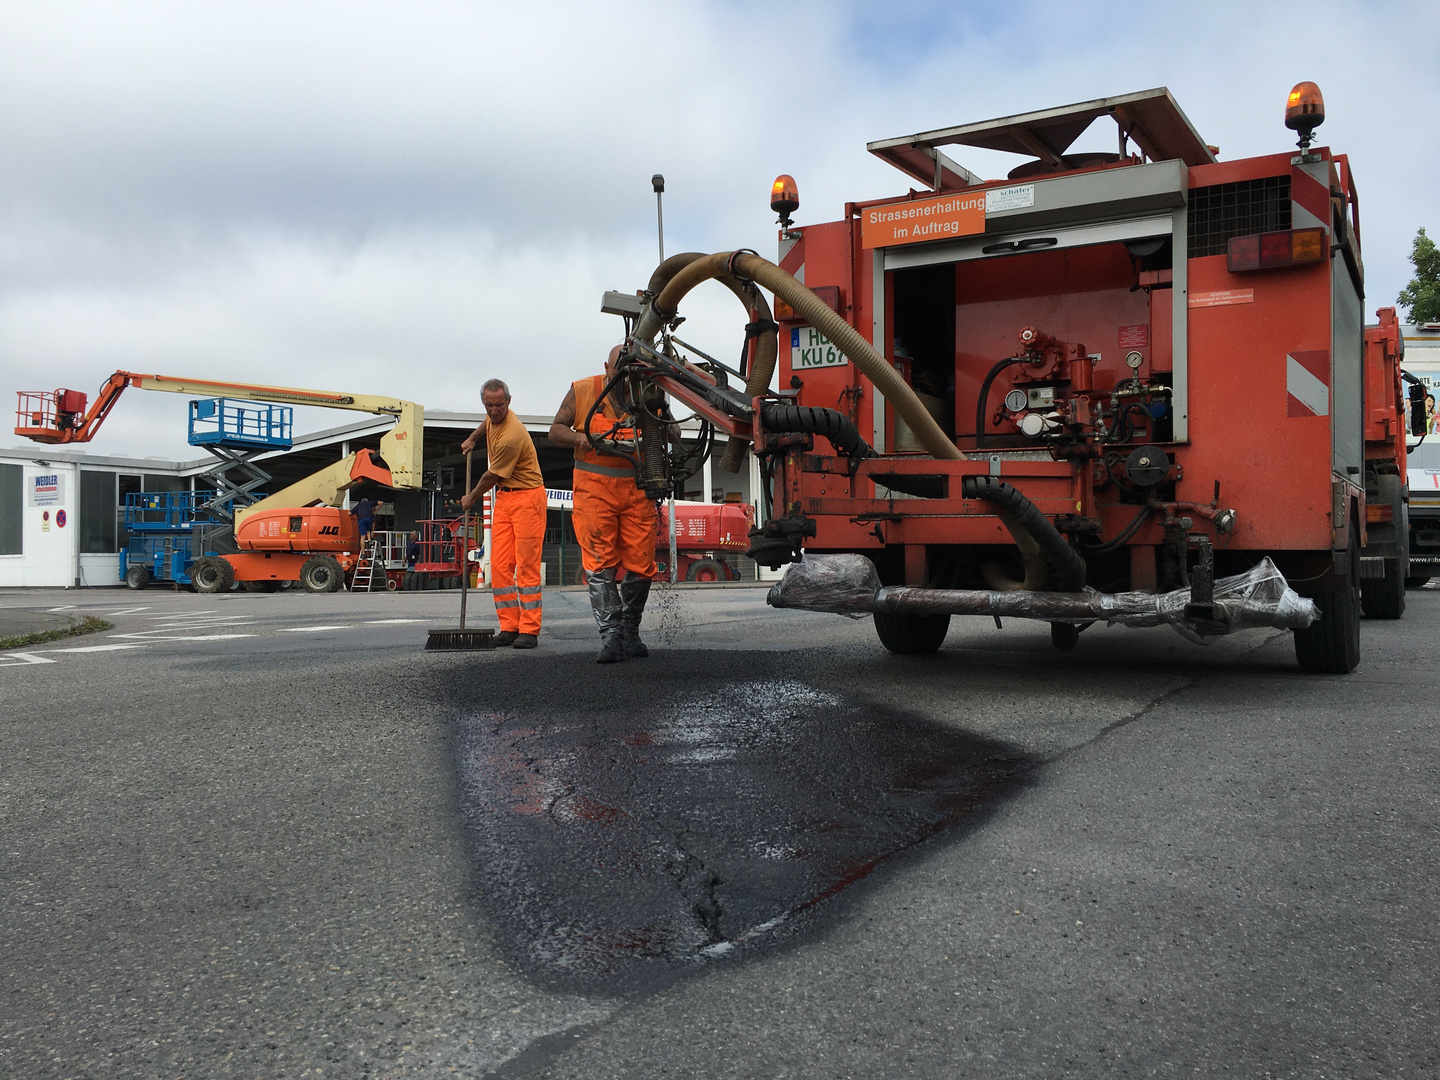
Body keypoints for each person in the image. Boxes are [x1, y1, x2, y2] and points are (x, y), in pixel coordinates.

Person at [549, 345, 657, 663]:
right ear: (607, 368)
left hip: (637, 491)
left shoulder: (648, 395)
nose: (623, 378)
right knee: (599, 564)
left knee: (642, 564)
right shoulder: (583, 390)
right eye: (618, 370)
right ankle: (612, 637)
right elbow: (556, 430)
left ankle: (629, 631)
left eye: (630, 371)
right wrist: (580, 439)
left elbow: (667, 431)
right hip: (594, 492)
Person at [460, 379, 546, 649]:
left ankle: (529, 629)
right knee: (498, 566)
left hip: (528, 499)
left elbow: (492, 475)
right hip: (506, 499)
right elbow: (487, 424)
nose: (494, 410)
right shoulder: (492, 419)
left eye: (499, 405)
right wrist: (473, 438)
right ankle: (509, 625)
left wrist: (472, 497)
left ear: (509, 402)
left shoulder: (512, 435)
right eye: (489, 405)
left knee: (527, 566)